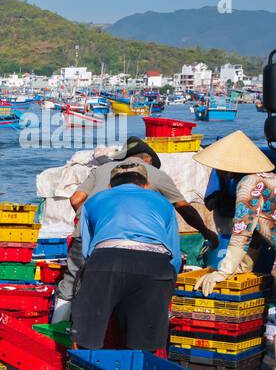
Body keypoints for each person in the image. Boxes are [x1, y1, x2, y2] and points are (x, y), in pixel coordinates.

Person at [53, 136, 220, 323]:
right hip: (132, 245)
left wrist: (90, 220)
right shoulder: (154, 175)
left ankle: (57, 329)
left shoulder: (100, 170)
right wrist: (206, 232)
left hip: (87, 236)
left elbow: (75, 199)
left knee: (71, 281)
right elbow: (184, 208)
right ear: (147, 159)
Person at [187, 131, 276, 370]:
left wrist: (223, 271)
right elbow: (258, 233)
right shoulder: (269, 178)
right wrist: (242, 265)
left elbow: (241, 234)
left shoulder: (248, 184)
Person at [71, 160, 181, 351]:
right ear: (146, 185)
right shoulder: (164, 203)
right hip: (155, 265)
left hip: (105, 261)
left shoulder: (94, 201)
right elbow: (174, 255)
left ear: (110, 186)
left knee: (86, 338)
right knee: (145, 346)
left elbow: (88, 250)